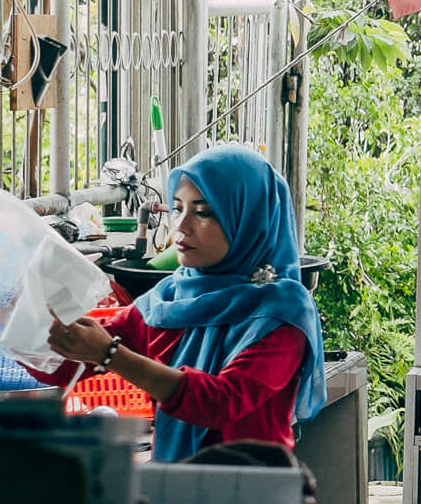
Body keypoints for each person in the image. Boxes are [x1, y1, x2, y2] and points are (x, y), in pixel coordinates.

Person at [40, 144, 326, 462]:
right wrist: (32, 320)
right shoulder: (169, 300)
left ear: (248, 220)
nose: (181, 226)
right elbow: (70, 363)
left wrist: (110, 355)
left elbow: (221, 403)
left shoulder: (281, 313)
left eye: (202, 212)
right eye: (177, 209)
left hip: (251, 491)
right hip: (174, 482)